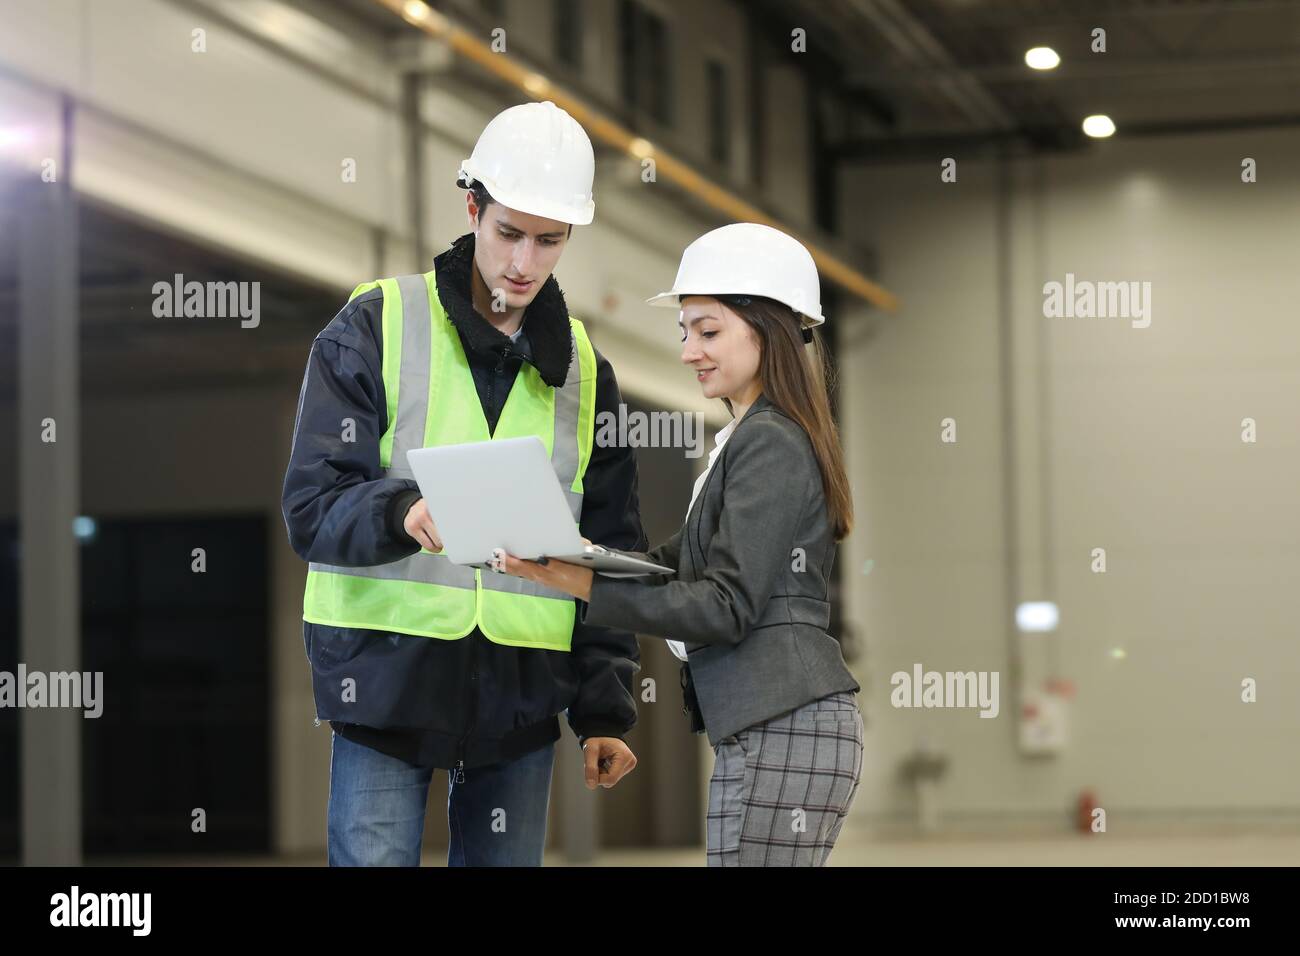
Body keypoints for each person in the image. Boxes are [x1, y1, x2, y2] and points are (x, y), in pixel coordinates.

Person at [281, 101, 645, 867]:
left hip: (520, 695)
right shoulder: (376, 324)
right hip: (385, 682)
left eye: (549, 241)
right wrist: (403, 510)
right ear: (472, 206)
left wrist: (605, 709)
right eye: (509, 232)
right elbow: (311, 508)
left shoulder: (584, 371)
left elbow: (609, 545)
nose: (524, 262)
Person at [497, 222, 864, 866]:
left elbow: (723, 607)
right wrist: (571, 554)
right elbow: (670, 566)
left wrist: (582, 584)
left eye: (709, 330)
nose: (690, 351)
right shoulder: (747, 440)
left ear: (769, 328)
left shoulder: (772, 442)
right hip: (772, 725)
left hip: (784, 722)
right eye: (685, 332)